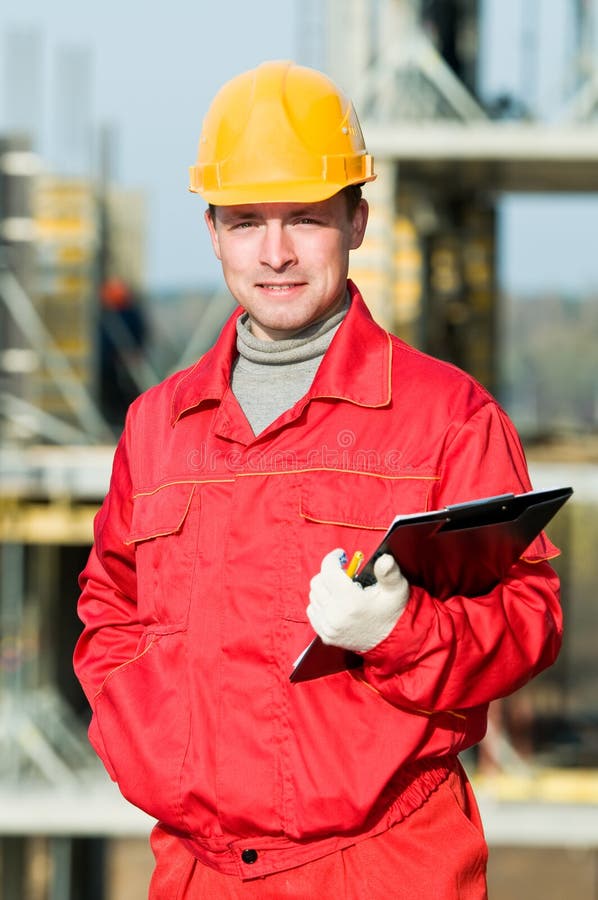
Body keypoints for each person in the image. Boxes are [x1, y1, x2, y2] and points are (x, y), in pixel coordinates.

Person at [74, 61, 563, 899]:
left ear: (357, 220)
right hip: (198, 869)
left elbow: (529, 618)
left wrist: (401, 630)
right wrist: (148, 746)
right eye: (246, 221)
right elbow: (108, 615)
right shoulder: (158, 427)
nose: (275, 253)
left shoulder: (446, 416)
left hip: (383, 868)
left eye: (305, 218)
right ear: (212, 232)